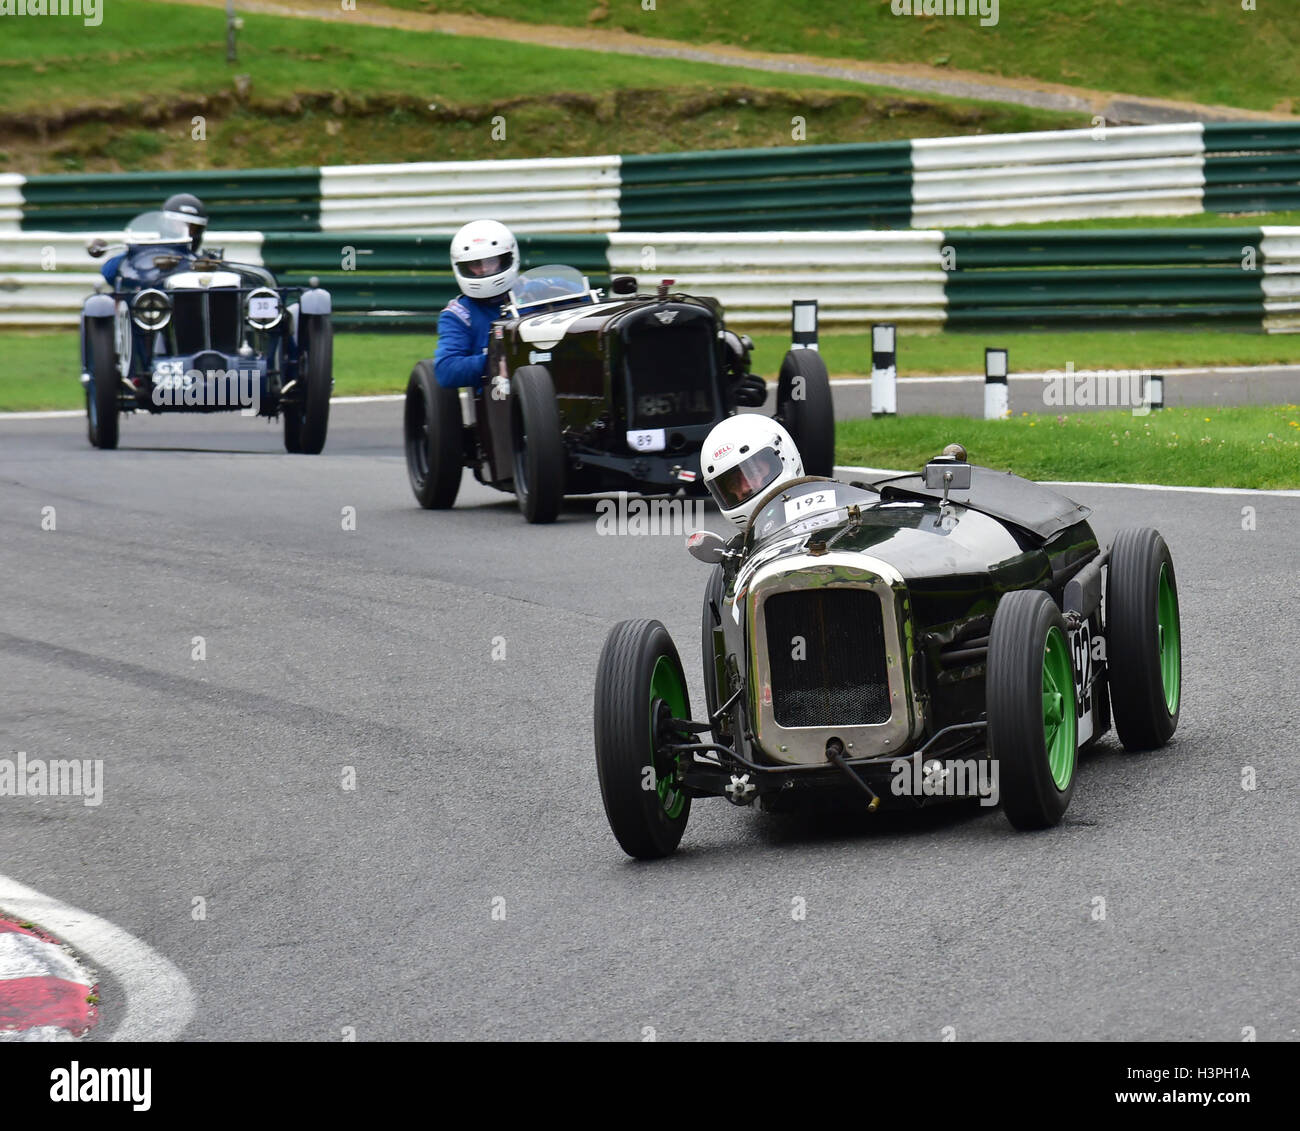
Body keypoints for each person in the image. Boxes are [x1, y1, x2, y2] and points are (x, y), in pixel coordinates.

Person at [434, 219, 520, 390]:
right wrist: (495, 360)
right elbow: (445, 370)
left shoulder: (534, 293)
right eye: (475, 264)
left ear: (506, 259)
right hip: (500, 397)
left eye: (490, 261)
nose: (483, 270)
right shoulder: (458, 314)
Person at [699, 415, 804, 528]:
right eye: (734, 484)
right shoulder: (735, 546)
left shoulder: (825, 509)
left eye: (754, 472)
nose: (745, 488)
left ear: (786, 455)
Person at [92, 192, 208, 285]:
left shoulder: (197, 262)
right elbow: (108, 273)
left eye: (191, 227)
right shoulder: (147, 252)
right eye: (179, 224)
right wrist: (130, 253)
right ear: (166, 223)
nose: (185, 230)